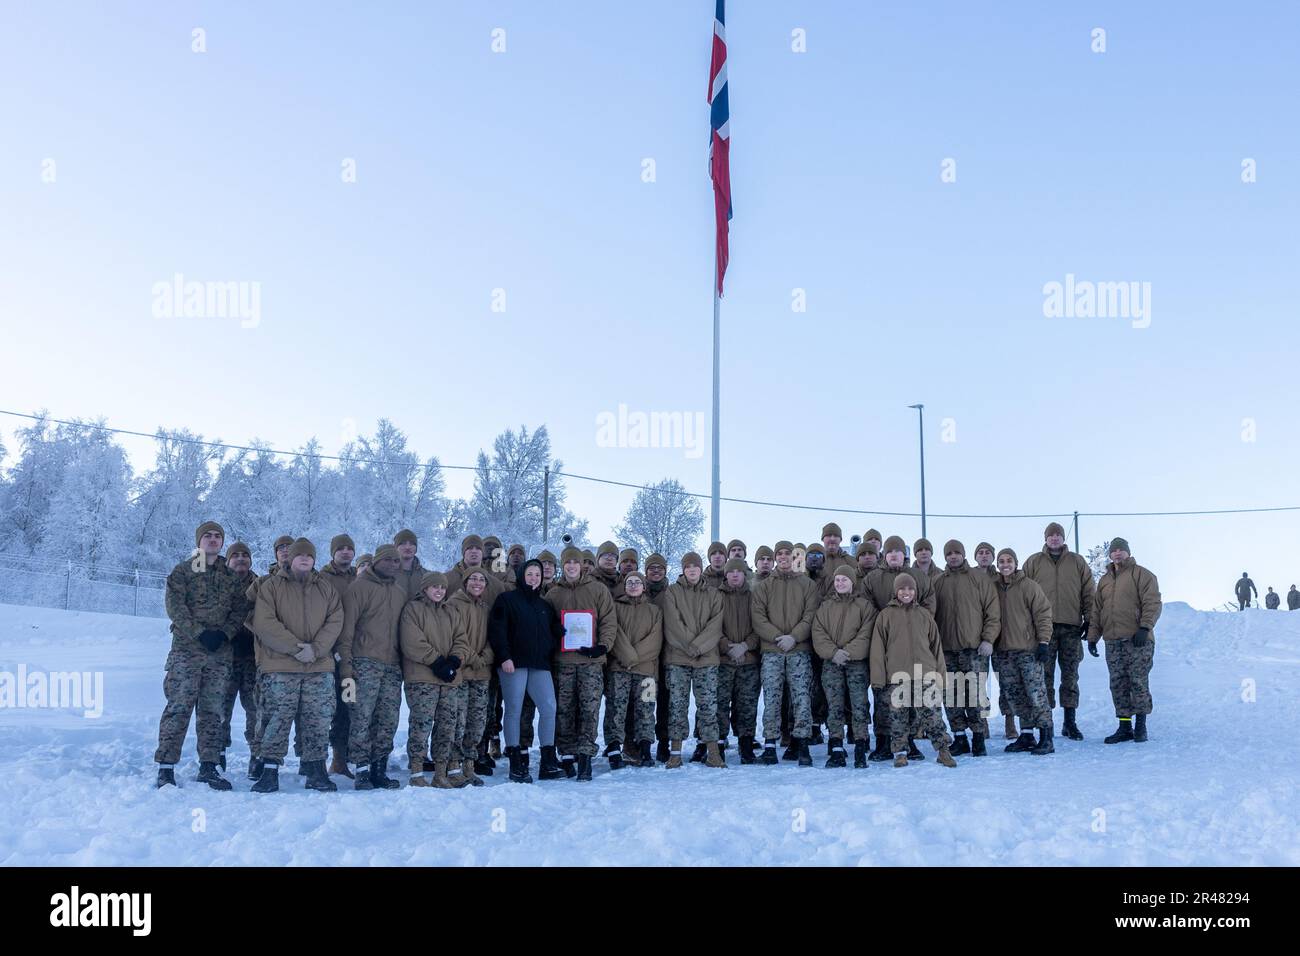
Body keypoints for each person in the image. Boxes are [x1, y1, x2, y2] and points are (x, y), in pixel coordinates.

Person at [249, 538, 343, 793]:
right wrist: (296, 648)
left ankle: (316, 770)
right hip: (280, 666)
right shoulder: (271, 587)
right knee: (276, 718)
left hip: (318, 666)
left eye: (309, 556)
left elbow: (335, 621)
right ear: (290, 559)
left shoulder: (325, 588)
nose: (304, 559)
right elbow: (264, 623)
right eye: (299, 555)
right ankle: (269, 771)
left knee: (318, 719)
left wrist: (316, 649)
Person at [155, 520, 243, 790]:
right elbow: (175, 607)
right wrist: (199, 633)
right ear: (199, 541)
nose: (213, 540)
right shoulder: (183, 571)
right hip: (187, 652)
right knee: (179, 708)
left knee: (212, 712)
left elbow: (240, 609)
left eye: (218, 536)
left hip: (219, 654)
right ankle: (166, 767)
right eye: (208, 536)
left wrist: (225, 633)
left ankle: (209, 766)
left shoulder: (230, 576)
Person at [489, 559, 566, 783]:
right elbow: (497, 630)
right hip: (513, 663)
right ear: (522, 575)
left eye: (538, 575)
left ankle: (548, 762)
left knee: (549, 707)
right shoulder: (507, 600)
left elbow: (547, 633)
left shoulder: (544, 605)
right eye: (530, 574)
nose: (534, 578)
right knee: (514, 709)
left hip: (539, 664)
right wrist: (504, 657)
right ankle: (515, 763)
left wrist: (557, 632)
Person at [338, 544, 408, 790]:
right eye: (387, 560)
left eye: (396, 561)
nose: (392, 564)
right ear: (376, 561)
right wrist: (346, 667)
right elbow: (346, 630)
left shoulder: (399, 592)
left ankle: (380, 768)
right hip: (363, 663)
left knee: (388, 719)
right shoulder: (358, 588)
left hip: (392, 665)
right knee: (361, 717)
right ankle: (362, 770)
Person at [869, 573, 955, 768]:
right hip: (897, 676)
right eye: (902, 588)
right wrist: (878, 678)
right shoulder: (885, 616)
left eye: (910, 589)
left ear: (915, 592)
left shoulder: (924, 615)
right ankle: (900, 753)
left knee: (932, 715)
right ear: (895, 591)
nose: (906, 592)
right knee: (898, 717)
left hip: (925, 674)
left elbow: (936, 647)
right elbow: (878, 649)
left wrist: (941, 675)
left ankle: (943, 750)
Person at [546, 547, 617, 780]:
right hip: (563, 662)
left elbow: (608, 621)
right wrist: (553, 630)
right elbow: (544, 623)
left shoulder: (598, 589)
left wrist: (603, 646)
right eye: (567, 563)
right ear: (563, 565)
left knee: (590, 708)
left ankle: (586, 755)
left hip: (591, 662)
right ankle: (567, 754)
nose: (571, 566)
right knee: (564, 709)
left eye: (575, 562)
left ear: (582, 565)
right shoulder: (553, 594)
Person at [1023, 522, 1095, 741]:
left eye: (1058, 535)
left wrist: (1089, 620)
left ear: (1063, 538)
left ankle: (1069, 722)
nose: (1054, 538)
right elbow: (1022, 593)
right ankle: (1047, 722)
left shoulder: (1077, 562)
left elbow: (1088, 592)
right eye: (1050, 535)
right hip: (1043, 629)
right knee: (1044, 676)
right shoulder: (1033, 562)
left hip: (1071, 628)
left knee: (1070, 676)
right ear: (1045, 538)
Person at [751, 541, 819, 766]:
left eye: (787, 553)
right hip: (772, 651)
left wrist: (794, 637)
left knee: (801, 697)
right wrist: (778, 637)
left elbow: (811, 615)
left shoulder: (807, 585)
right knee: (772, 698)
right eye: (779, 554)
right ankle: (770, 745)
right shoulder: (764, 586)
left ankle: (802, 745)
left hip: (799, 651)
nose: (783, 557)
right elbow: (758, 617)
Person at [399, 572, 469, 788]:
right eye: (434, 587)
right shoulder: (413, 609)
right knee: (421, 724)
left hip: (448, 678)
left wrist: (454, 661)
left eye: (442, 587)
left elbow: (461, 640)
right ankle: (417, 772)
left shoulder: (451, 611)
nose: (439, 591)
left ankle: (441, 772)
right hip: (422, 678)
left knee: (447, 725)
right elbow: (412, 642)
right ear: (425, 588)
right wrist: (438, 663)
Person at [1089, 537, 1162, 744]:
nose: (1118, 553)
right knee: (1118, 683)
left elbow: (1153, 602)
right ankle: (1124, 726)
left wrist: (1145, 627)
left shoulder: (1142, 575)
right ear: (1110, 554)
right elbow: (1097, 610)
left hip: (1137, 639)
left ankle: (1140, 726)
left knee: (1138, 681)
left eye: (1121, 550)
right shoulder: (1104, 581)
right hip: (1113, 641)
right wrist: (1093, 637)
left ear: (1128, 552)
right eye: (1114, 550)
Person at [931, 540, 999, 757]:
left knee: (975, 695)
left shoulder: (978, 578)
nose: (953, 556)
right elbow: (929, 616)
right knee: (951, 695)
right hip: (946, 649)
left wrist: (988, 639)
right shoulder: (937, 581)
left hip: (974, 649)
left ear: (963, 554)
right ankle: (960, 737)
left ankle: (979, 737)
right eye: (949, 553)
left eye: (956, 553)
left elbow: (992, 613)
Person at [662, 552, 726, 768]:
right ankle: (675, 753)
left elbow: (715, 625)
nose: (691, 570)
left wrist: (698, 646)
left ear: (700, 568)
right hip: (678, 658)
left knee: (708, 706)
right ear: (683, 569)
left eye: (695, 566)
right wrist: (690, 646)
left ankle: (713, 753)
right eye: (687, 566)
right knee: (677, 706)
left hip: (706, 659)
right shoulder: (672, 592)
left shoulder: (714, 594)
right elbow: (673, 623)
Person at [992, 548, 1055, 756]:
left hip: (1028, 650)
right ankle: (1026, 735)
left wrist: (1043, 642)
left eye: (1009, 560)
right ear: (997, 565)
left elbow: (1043, 614)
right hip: (1004, 652)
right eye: (1001, 561)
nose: (1005, 564)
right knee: (1015, 695)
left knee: (1036, 693)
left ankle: (1046, 736)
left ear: (1016, 563)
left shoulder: (1029, 586)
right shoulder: (994, 588)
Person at [812, 565, 875, 768]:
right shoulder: (825, 606)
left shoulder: (864, 606)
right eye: (837, 580)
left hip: (856, 664)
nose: (840, 583)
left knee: (859, 705)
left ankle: (860, 745)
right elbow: (818, 632)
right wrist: (833, 653)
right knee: (834, 706)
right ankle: (836, 747)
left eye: (844, 580)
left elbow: (866, 633)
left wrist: (847, 652)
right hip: (832, 663)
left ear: (852, 582)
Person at [604, 570, 663, 768]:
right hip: (619, 668)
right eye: (630, 582)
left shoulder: (654, 611)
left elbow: (655, 640)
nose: (633, 585)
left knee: (646, 709)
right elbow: (614, 634)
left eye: (637, 582)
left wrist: (634, 658)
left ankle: (645, 748)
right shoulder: (615, 607)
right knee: (616, 708)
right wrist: (627, 657)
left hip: (647, 671)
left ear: (644, 586)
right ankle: (614, 749)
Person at [448, 569, 495, 786]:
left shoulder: (486, 608)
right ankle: (452, 766)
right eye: (473, 579)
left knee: (476, 722)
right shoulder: (453, 604)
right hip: (461, 672)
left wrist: (484, 657)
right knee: (457, 721)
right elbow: (453, 637)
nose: (477, 583)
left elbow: (493, 637)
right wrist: (472, 658)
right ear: (465, 582)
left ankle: (469, 766)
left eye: (481, 579)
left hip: (481, 673)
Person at [319, 533, 358, 777]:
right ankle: (315, 760)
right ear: (332, 552)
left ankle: (340, 759)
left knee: (347, 707)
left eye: (349, 548)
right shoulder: (322, 578)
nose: (345, 552)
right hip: (327, 654)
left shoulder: (359, 577)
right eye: (340, 548)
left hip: (351, 654)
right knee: (326, 709)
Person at [717, 559, 761, 764]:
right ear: (725, 574)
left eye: (739, 571)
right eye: (731, 571)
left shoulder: (754, 597)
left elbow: (760, 625)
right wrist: (727, 647)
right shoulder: (716, 596)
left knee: (747, 704)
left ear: (745, 574)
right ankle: (718, 743)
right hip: (722, 660)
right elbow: (711, 626)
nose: (735, 574)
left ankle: (746, 744)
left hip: (748, 660)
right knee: (720, 703)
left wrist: (745, 646)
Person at [220, 541, 258, 775]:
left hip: (254, 658)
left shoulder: (261, 586)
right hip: (224, 658)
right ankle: (216, 753)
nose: (241, 558)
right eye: (236, 555)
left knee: (256, 709)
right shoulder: (219, 584)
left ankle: (256, 755)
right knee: (220, 708)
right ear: (228, 560)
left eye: (245, 555)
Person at [392, 529, 428, 601]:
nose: (407, 547)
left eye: (411, 544)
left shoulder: (426, 576)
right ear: (396, 548)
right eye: (403, 543)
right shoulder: (387, 574)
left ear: (416, 548)